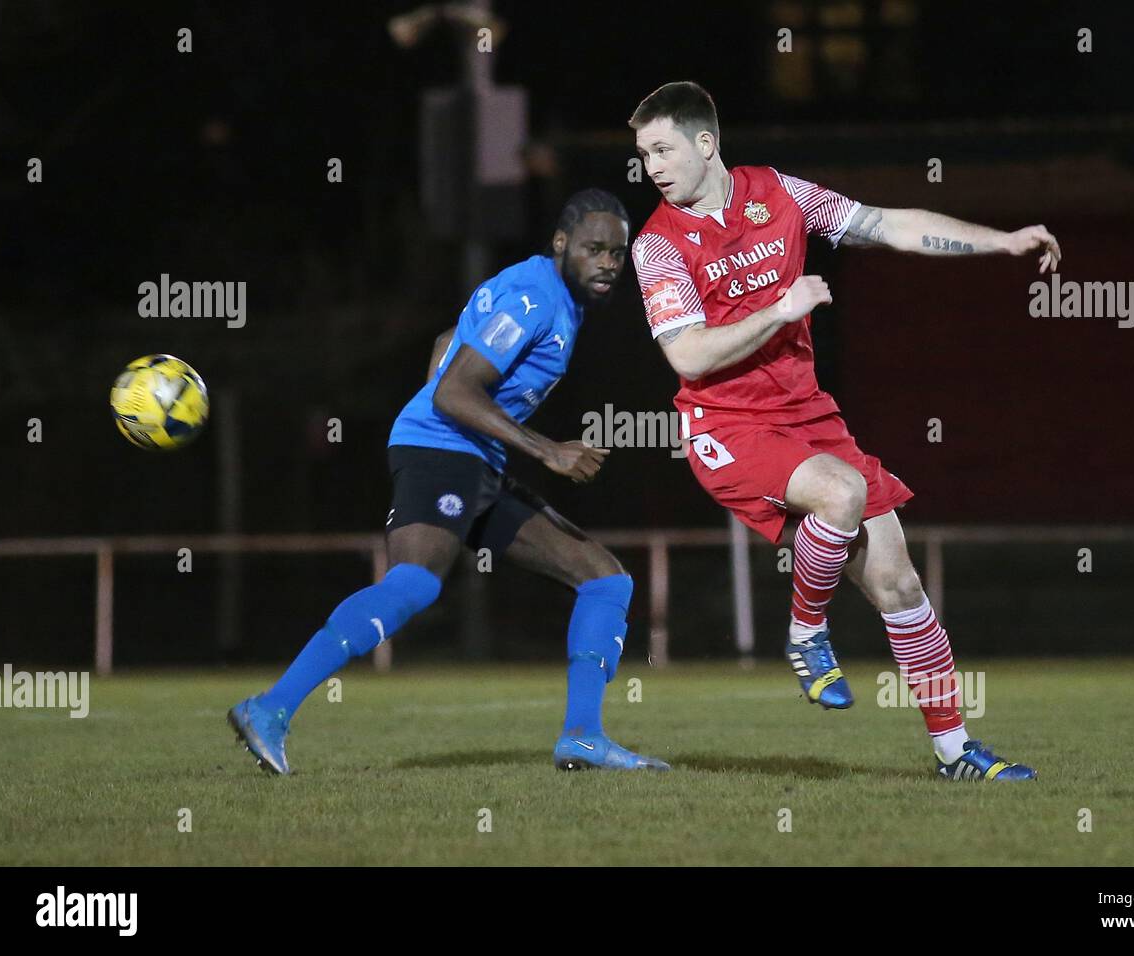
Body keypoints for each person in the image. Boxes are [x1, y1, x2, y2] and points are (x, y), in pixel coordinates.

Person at [628, 82, 1060, 781]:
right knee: (843, 492)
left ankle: (955, 753)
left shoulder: (779, 194)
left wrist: (1000, 241)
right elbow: (689, 356)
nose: (651, 166)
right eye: (645, 153)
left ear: (706, 143)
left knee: (901, 585)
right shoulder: (657, 245)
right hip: (727, 425)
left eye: (662, 149)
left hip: (807, 415)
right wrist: (781, 309)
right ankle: (806, 632)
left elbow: (886, 225)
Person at [228, 189, 669, 774]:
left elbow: (449, 343)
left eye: (617, 252)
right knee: (413, 584)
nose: (608, 263)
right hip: (442, 452)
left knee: (605, 580)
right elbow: (454, 391)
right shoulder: (537, 297)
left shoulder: (551, 294)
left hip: (475, 460)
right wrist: (547, 450)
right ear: (561, 243)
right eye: (594, 249)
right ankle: (270, 709)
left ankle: (583, 737)